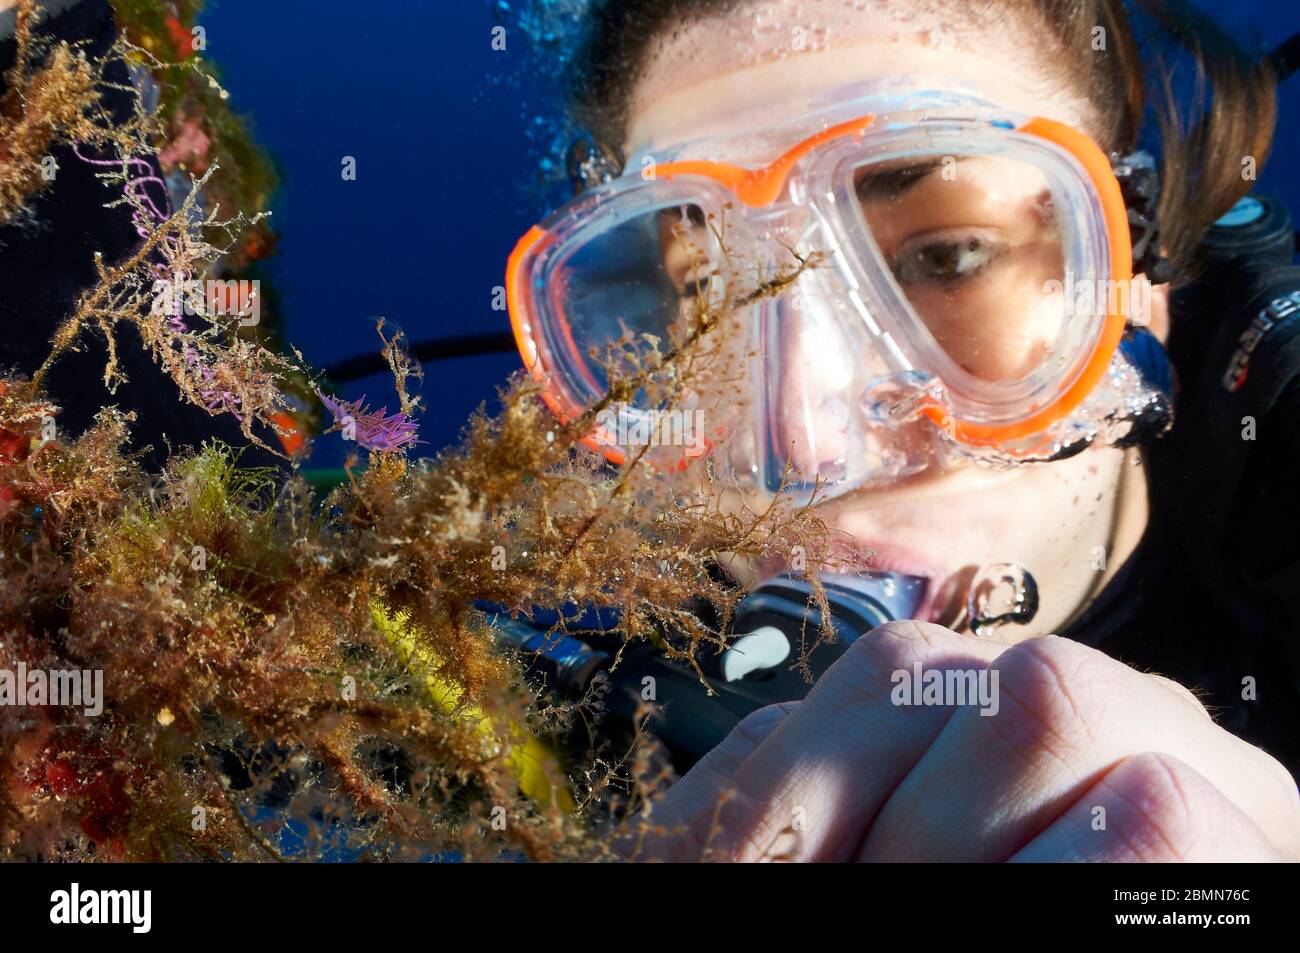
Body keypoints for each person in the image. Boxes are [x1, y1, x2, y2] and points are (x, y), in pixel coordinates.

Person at [504, 0, 1300, 860]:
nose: (809, 445)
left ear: (1139, 284)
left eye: (948, 256)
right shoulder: (579, 710)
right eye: (710, 294)